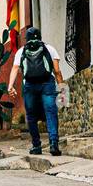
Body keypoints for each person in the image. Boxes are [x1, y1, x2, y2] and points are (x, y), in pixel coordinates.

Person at [10, 26, 66, 156]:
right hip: (47, 84)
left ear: (26, 39)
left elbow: (15, 68)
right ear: (40, 37)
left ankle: (36, 146)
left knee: (31, 115)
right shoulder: (50, 49)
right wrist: (62, 90)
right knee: (51, 112)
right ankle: (53, 144)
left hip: (29, 85)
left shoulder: (21, 51)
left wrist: (10, 86)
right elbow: (57, 71)